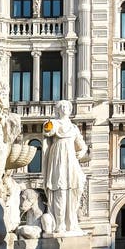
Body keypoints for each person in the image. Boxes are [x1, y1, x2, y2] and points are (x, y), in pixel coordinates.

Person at [41, 100, 88, 234]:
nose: (64, 108)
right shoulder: (54, 123)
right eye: (61, 106)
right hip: (58, 158)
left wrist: (83, 151)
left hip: (71, 159)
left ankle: (71, 223)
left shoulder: (73, 128)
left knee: (75, 187)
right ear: (57, 110)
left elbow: (81, 144)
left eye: (66, 106)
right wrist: (49, 123)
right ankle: (59, 224)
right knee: (60, 189)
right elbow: (47, 131)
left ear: (70, 109)